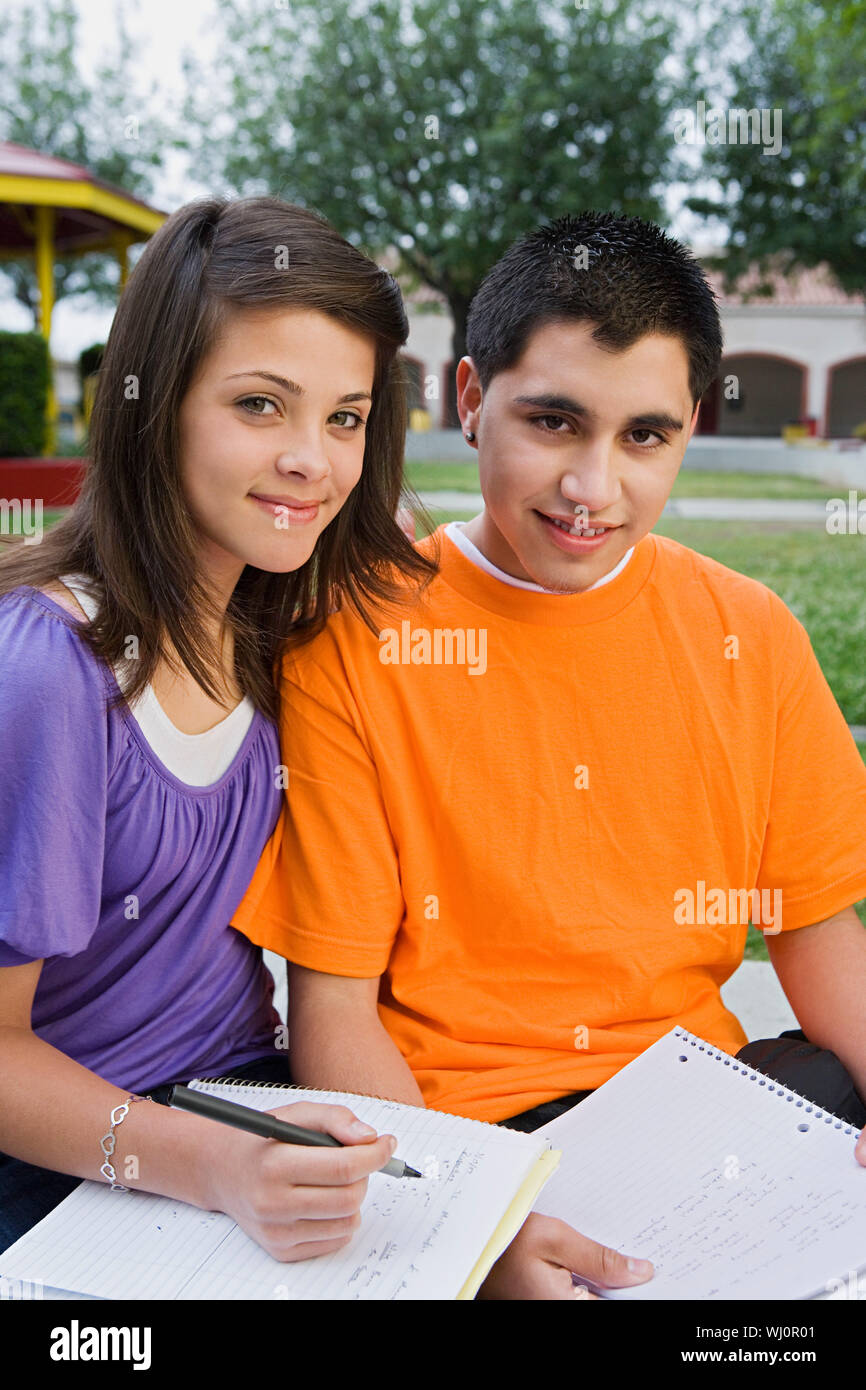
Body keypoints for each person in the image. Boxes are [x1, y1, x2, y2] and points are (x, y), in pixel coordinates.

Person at [231, 211, 866, 1299]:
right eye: (554, 422)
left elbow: (812, 925)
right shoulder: (352, 638)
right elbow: (332, 1011)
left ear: (688, 429)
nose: (591, 487)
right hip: (462, 1134)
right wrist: (464, 1222)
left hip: (709, 1115)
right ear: (470, 401)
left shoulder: (748, 633)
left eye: (643, 437)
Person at [0, 193, 442, 1261]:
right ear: (153, 404)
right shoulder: (53, 669)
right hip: (79, 1159)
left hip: (250, 1101)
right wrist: (212, 1162)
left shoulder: (275, 618)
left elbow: (417, 541)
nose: (311, 460)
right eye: (258, 404)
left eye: (345, 417)